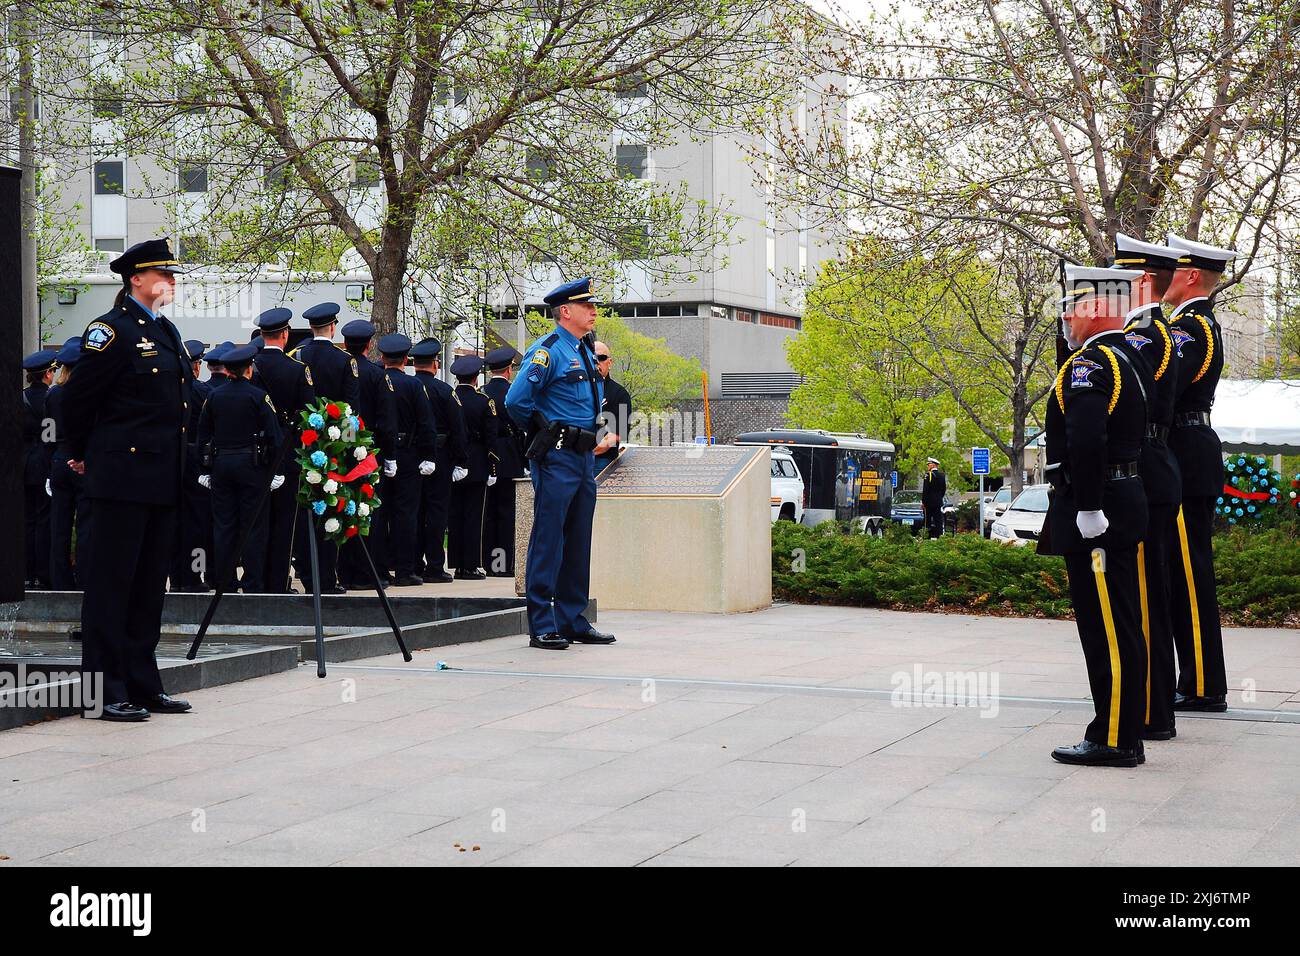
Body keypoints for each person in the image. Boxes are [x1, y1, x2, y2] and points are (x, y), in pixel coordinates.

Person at [62, 238, 193, 720]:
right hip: (120, 476)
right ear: (135, 278)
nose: (172, 282)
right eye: (164, 274)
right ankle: (102, 691)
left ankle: (142, 682)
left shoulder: (166, 330)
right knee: (111, 586)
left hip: (160, 478)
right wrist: (77, 453)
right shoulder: (111, 331)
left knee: (146, 588)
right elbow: (76, 401)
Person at [1041, 265, 1148, 767]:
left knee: (1107, 626)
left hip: (1099, 508)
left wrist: (1087, 507)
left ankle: (1113, 737)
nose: (1065, 316)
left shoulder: (1091, 366)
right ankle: (1122, 731)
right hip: (1121, 498)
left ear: (1100, 310)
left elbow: (1087, 439)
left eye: (1075, 306)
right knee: (1121, 623)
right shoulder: (1126, 358)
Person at [504, 277, 618, 649]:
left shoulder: (585, 350)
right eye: (586, 306)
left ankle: (572, 619)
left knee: (577, 539)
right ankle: (542, 623)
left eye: (593, 305)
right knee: (549, 539)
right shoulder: (548, 350)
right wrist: (544, 432)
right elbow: (516, 402)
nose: (593, 310)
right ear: (565, 312)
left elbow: (592, 403)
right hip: (557, 457)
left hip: (584, 459)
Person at [1111, 234, 1183, 740]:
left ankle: (1149, 712)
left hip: (1147, 470)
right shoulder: (1156, 332)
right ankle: (1153, 708)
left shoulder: (1143, 337)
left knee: (1141, 597)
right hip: (1159, 465)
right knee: (1149, 594)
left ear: (1138, 281)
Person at [1163, 233, 1236, 713]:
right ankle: (1194, 680)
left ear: (1190, 276)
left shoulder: (1193, 328)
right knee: (1180, 574)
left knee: (1190, 576)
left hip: (1187, 453)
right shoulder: (1189, 324)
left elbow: (1165, 384)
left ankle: (1204, 685)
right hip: (1186, 450)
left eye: (1172, 270)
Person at [196, 344, 284, 593]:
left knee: (224, 526)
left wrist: (204, 468)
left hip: (222, 466)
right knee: (254, 527)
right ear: (248, 369)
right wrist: (277, 470)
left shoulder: (214, 396)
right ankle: (253, 583)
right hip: (252, 467)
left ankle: (225, 581)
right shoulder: (258, 396)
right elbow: (274, 436)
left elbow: (203, 434)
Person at [289, 303, 360, 593]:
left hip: (303, 446)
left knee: (305, 509)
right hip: (333, 447)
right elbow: (350, 408)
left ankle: (306, 571)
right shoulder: (344, 361)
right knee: (331, 509)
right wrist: (347, 449)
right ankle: (327, 578)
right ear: (333, 327)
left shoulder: (298, 357)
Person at [252, 308, 318, 592]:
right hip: (288, 452)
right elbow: (307, 414)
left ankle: (254, 579)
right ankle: (277, 581)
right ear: (285, 334)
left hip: (255, 451)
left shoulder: (250, 366)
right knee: (284, 522)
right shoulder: (297, 369)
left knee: (256, 520)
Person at [338, 319, 398, 589]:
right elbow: (386, 420)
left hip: (342, 447)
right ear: (369, 344)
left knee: (345, 509)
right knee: (368, 511)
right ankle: (366, 572)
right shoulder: (376, 375)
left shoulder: (342, 369)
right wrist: (391, 455)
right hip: (369, 449)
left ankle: (345, 570)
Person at [378, 334, 437, 586]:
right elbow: (426, 424)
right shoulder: (414, 386)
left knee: (380, 512)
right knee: (406, 513)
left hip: (379, 453)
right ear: (406, 359)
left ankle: (380, 568)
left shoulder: (376, 380)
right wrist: (428, 455)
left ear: (382, 358)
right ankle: (405, 569)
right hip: (408, 454)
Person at [411, 337, 467, 583]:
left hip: (411, 456)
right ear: (435, 364)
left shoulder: (406, 386)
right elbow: (458, 429)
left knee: (413, 512)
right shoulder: (445, 391)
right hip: (441, 456)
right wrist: (461, 459)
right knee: (436, 512)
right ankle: (434, 565)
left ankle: (412, 564)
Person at [448, 354, 499, 580]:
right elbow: (491, 438)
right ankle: (470, 564)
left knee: (455, 514)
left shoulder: (450, 397)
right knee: (473, 516)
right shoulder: (483, 401)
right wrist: (493, 467)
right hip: (477, 462)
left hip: (453, 461)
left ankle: (457, 562)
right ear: (476, 378)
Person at [46, 340, 91, 590]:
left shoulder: (53, 394)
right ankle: (84, 577)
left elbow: (48, 433)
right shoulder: (86, 393)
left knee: (59, 525)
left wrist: (50, 463)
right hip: (82, 460)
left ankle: (59, 580)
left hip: (59, 459)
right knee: (85, 523)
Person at [169, 339, 213, 592]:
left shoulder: (172, 390)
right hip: (196, 459)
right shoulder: (202, 392)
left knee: (175, 522)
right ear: (195, 366)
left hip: (174, 459)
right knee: (197, 523)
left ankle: (177, 576)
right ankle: (195, 577)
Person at [482, 346, 525, 575]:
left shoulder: (481, 392)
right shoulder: (514, 393)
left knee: (488, 513)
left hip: (486, 458)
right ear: (509, 370)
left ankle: (489, 563)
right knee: (507, 514)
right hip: (509, 456)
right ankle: (504, 565)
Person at [22, 348, 57, 589]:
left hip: (22, 465)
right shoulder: (50, 399)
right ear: (47, 374)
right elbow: (51, 436)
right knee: (45, 521)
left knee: (26, 521)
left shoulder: (19, 398)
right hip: (44, 464)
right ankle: (43, 574)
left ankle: (26, 572)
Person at [593, 340, 632, 476]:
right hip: (572, 460)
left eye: (601, 358)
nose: (597, 362)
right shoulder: (576, 389)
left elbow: (615, 435)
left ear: (609, 362)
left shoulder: (620, 394)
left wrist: (588, 453)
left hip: (601, 461)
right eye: (592, 358)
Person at [920, 457, 946, 539]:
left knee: (927, 522)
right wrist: (938, 498)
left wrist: (923, 502)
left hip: (928, 503)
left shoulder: (928, 475)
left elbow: (925, 490)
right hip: (938, 502)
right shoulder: (942, 475)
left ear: (933, 465)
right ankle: (940, 538)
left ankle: (926, 538)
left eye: (929, 464)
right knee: (938, 521)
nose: (928, 466)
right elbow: (943, 489)